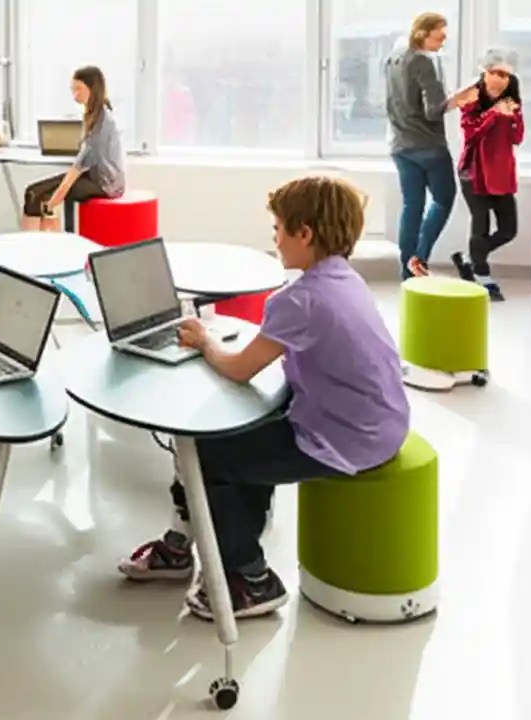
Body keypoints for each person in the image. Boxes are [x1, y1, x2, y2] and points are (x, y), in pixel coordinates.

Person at [117, 176, 411, 621]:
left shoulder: (299, 299)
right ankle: (183, 547)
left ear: (304, 233)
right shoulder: (342, 278)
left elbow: (238, 368)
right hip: (381, 422)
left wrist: (203, 342)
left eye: (278, 228)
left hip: (346, 439)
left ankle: (252, 579)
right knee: (241, 437)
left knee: (206, 452)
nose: (274, 238)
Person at [384, 12, 479, 279]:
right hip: (428, 146)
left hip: (400, 144)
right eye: (439, 37)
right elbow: (433, 111)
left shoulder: (394, 56)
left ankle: (407, 270)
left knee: (411, 206)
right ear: (423, 34)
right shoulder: (425, 62)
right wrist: (460, 98)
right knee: (443, 198)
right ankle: (419, 259)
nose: (442, 44)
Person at [451, 50, 524, 302]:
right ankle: (483, 276)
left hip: (502, 173)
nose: (502, 79)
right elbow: (471, 134)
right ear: (485, 72)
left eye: (506, 75)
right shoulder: (471, 97)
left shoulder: (512, 96)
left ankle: (470, 259)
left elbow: (517, 138)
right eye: (497, 73)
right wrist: (494, 114)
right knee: (479, 225)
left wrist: (514, 116)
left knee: (508, 230)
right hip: (474, 173)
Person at [20, 66, 126, 231]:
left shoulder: (103, 121)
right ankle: (31, 244)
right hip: (92, 176)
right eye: (73, 89)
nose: (75, 95)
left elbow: (80, 165)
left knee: (42, 197)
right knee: (32, 193)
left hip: (106, 184)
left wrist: (54, 200)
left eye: (79, 89)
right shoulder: (92, 115)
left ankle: (42, 243)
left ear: (93, 88)